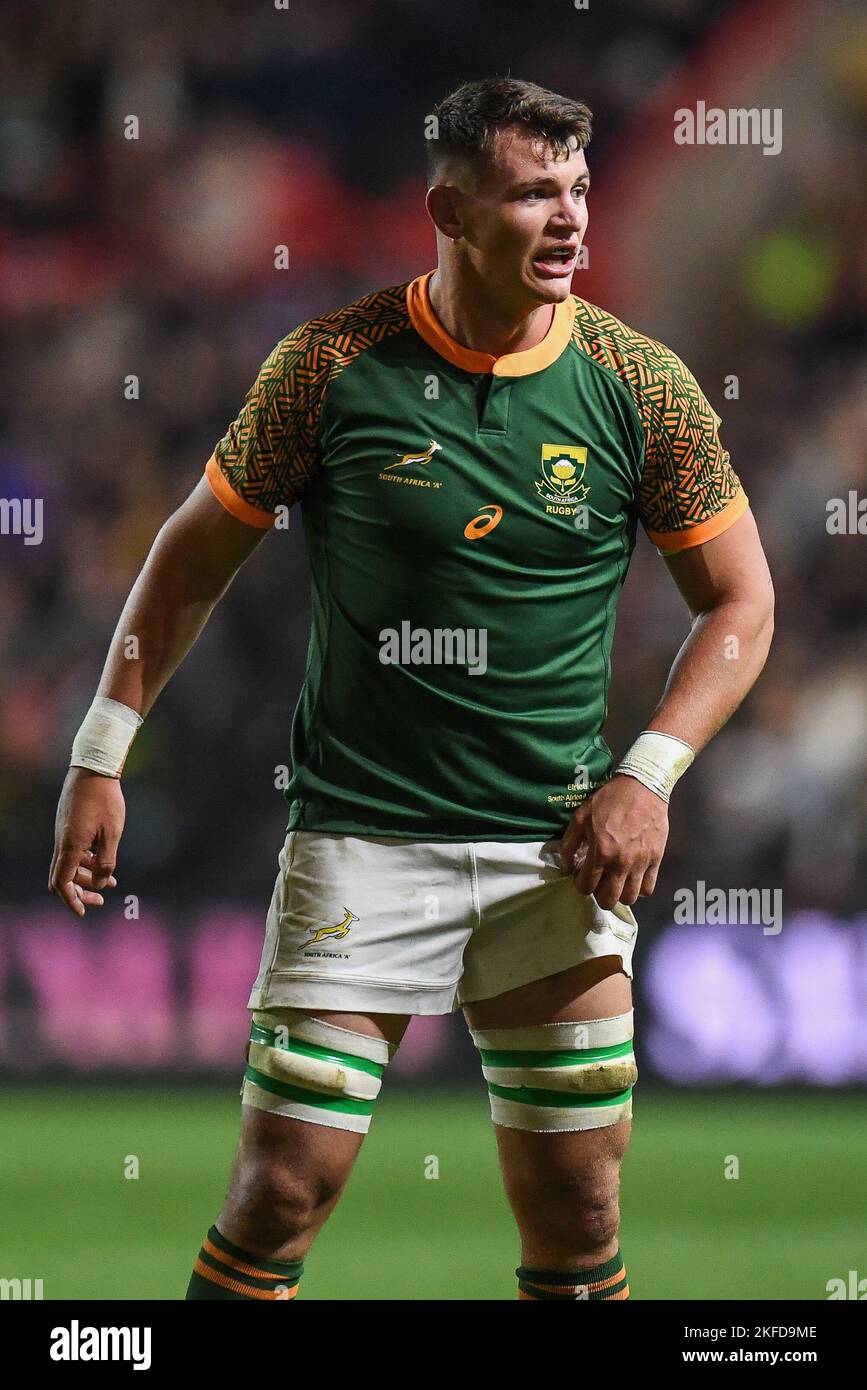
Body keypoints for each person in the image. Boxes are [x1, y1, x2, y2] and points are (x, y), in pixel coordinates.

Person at [48, 77, 774, 1302]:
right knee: (282, 1190)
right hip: (361, 843)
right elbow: (189, 554)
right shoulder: (330, 367)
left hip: (560, 853)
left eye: (581, 189)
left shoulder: (641, 385)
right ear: (447, 205)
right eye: (533, 191)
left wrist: (647, 776)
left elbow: (742, 602)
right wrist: (101, 748)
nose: (571, 220)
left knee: (580, 1207)